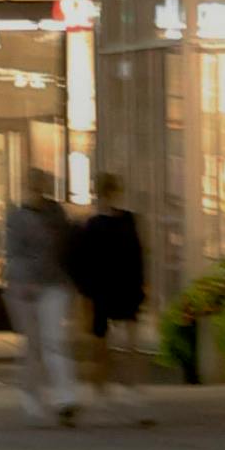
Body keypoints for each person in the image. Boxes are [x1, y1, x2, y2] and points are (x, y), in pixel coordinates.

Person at [0, 175, 79, 423]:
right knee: (33, 345)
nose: (36, 192)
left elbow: (67, 248)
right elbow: (13, 253)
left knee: (54, 340)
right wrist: (23, 282)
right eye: (32, 188)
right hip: (24, 288)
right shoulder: (17, 218)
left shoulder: (56, 214)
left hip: (54, 284)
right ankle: (31, 395)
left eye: (39, 187)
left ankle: (65, 398)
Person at [66, 168, 149, 400]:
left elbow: (85, 261)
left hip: (110, 288)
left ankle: (109, 388)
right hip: (114, 287)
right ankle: (116, 387)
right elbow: (138, 254)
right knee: (112, 343)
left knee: (106, 343)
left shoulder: (96, 224)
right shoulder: (113, 223)